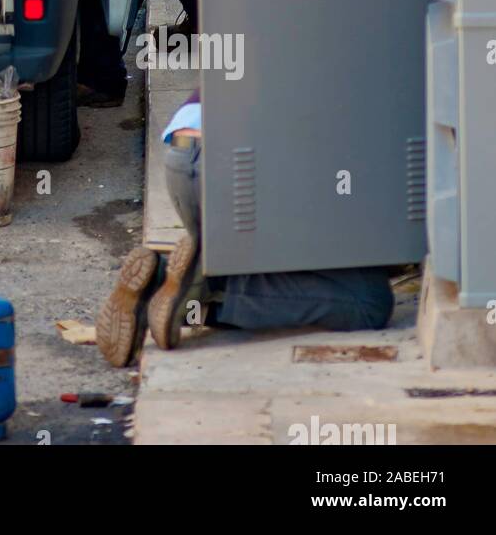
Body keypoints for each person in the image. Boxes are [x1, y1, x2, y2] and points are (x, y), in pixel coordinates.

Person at [95, 94, 395, 366]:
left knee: (294, 262)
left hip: (182, 159)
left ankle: (169, 281)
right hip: (241, 169)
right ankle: (211, 289)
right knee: (367, 300)